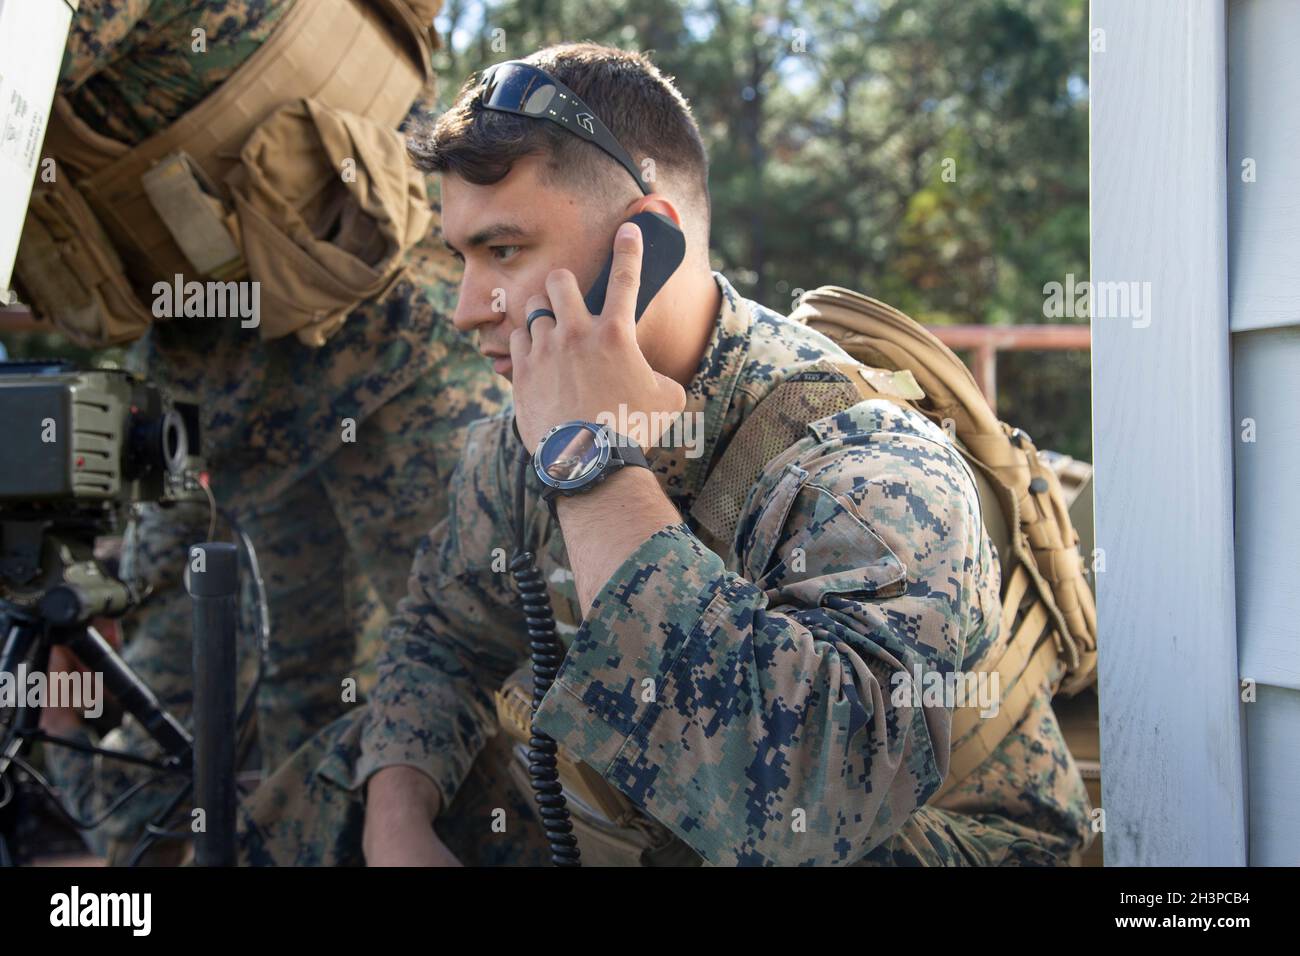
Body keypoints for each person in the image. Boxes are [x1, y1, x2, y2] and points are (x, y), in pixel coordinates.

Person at [241, 42, 1093, 867]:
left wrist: (594, 463)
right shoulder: (522, 432)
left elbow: (799, 800)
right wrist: (399, 829)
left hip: (909, 836)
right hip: (651, 813)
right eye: (459, 257)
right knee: (333, 793)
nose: (466, 308)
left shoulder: (864, 463)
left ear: (645, 247)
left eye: (504, 251)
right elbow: (441, 634)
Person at [26, 0, 507, 860]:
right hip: (227, 364)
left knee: (482, 677)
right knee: (286, 707)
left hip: (388, 333)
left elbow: (22, 65)